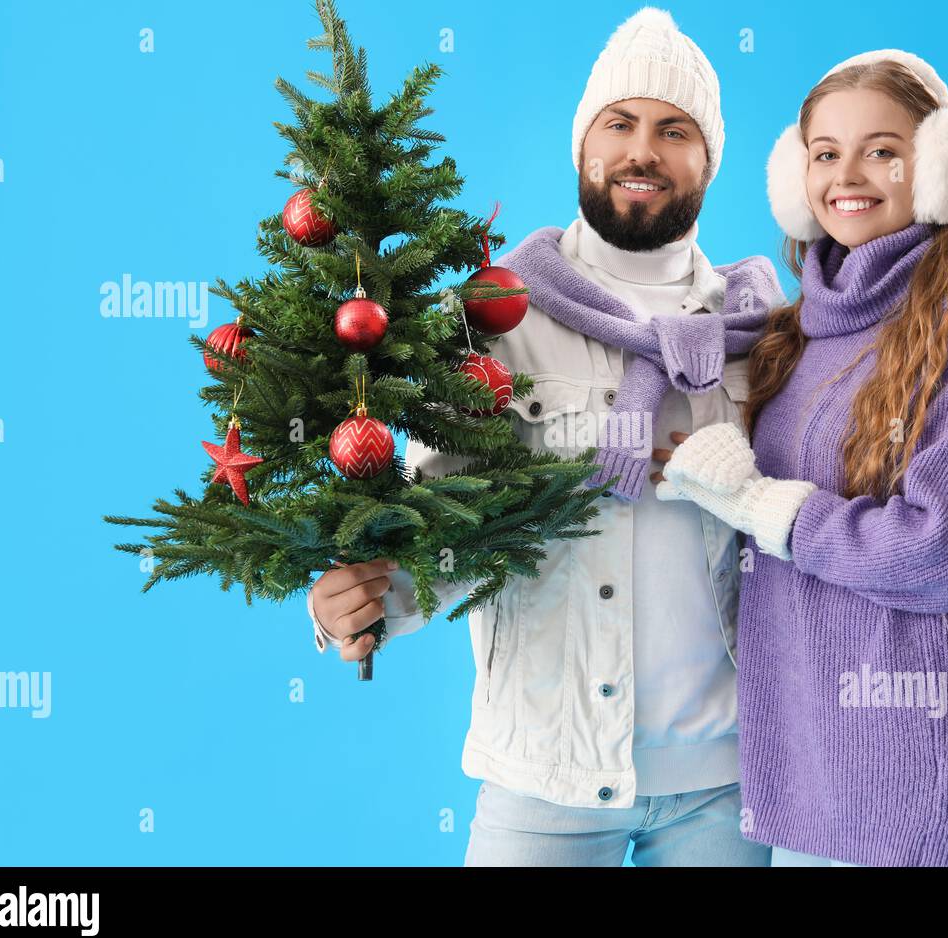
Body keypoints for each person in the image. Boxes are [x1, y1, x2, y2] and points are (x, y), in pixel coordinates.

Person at [308, 7, 783, 866]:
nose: (644, 150)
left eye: (674, 130)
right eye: (620, 123)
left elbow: (812, 522)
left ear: (708, 160)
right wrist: (362, 606)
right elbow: (446, 519)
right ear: (583, 147)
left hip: (731, 778)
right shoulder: (497, 322)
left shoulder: (762, 336)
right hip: (544, 768)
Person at [653, 50, 948, 866]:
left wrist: (770, 509)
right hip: (803, 765)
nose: (847, 176)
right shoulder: (798, 331)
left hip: (911, 761)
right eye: (825, 152)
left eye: (882, 150)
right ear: (797, 174)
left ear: (936, 168)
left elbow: (946, 551)